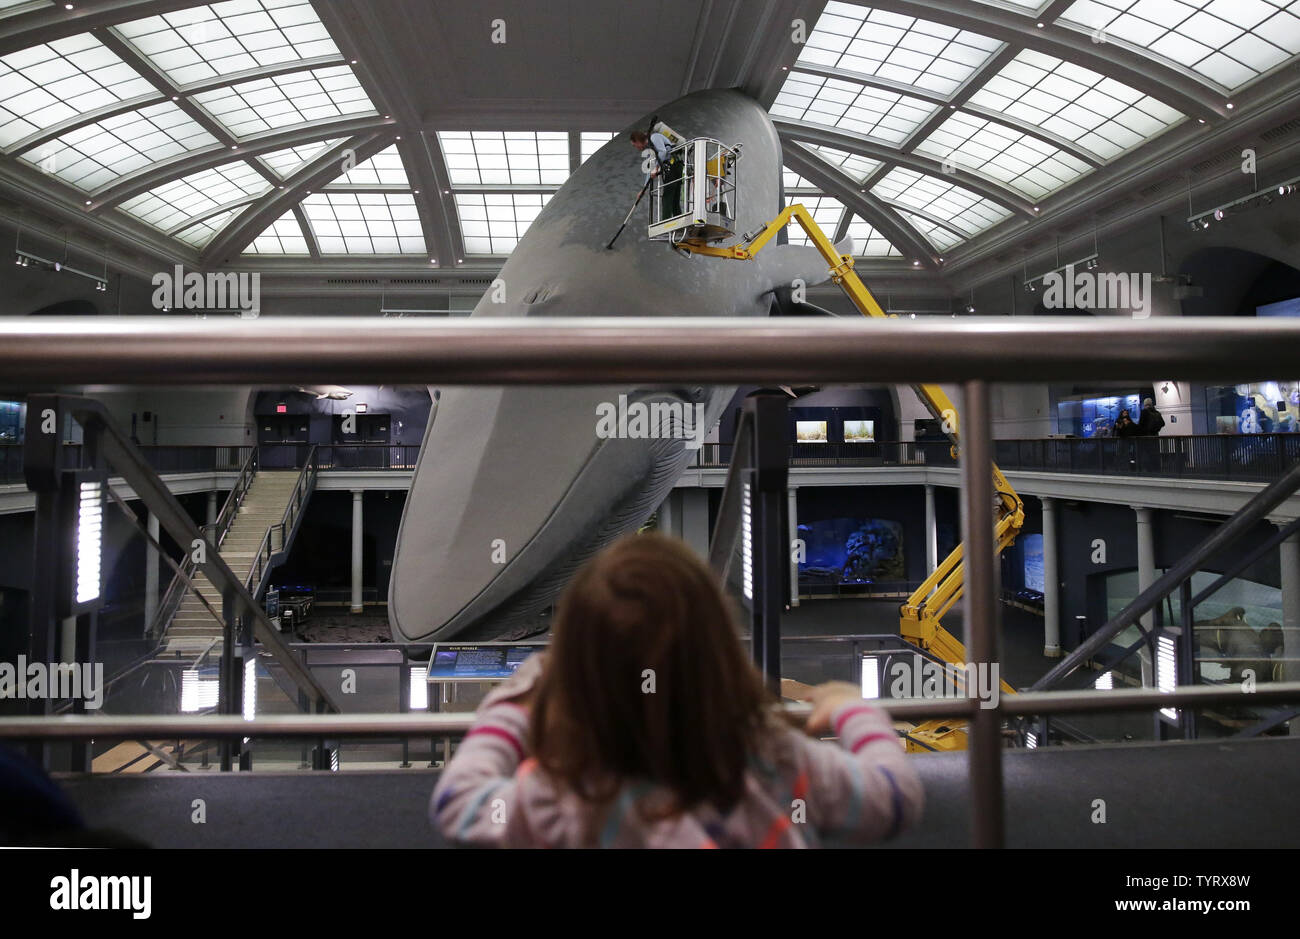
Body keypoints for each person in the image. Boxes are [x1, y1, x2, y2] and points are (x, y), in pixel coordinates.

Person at [430, 533, 923, 848]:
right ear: (719, 653)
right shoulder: (775, 760)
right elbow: (894, 798)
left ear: (574, 678)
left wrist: (519, 703)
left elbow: (459, 802)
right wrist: (852, 711)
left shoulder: (555, 797)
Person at [630, 130, 683, 220]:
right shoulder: (650, 150)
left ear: (638, 141)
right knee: (674, 197)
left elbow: (663, 152)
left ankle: (665, 221)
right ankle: (679, 220)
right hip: (672, 166)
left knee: (668, 196)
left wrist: (656, 167)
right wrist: (644, 189)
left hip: (673, 165)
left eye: (635, 145)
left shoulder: (654, 137)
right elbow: (650, 169)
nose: (636, 147)